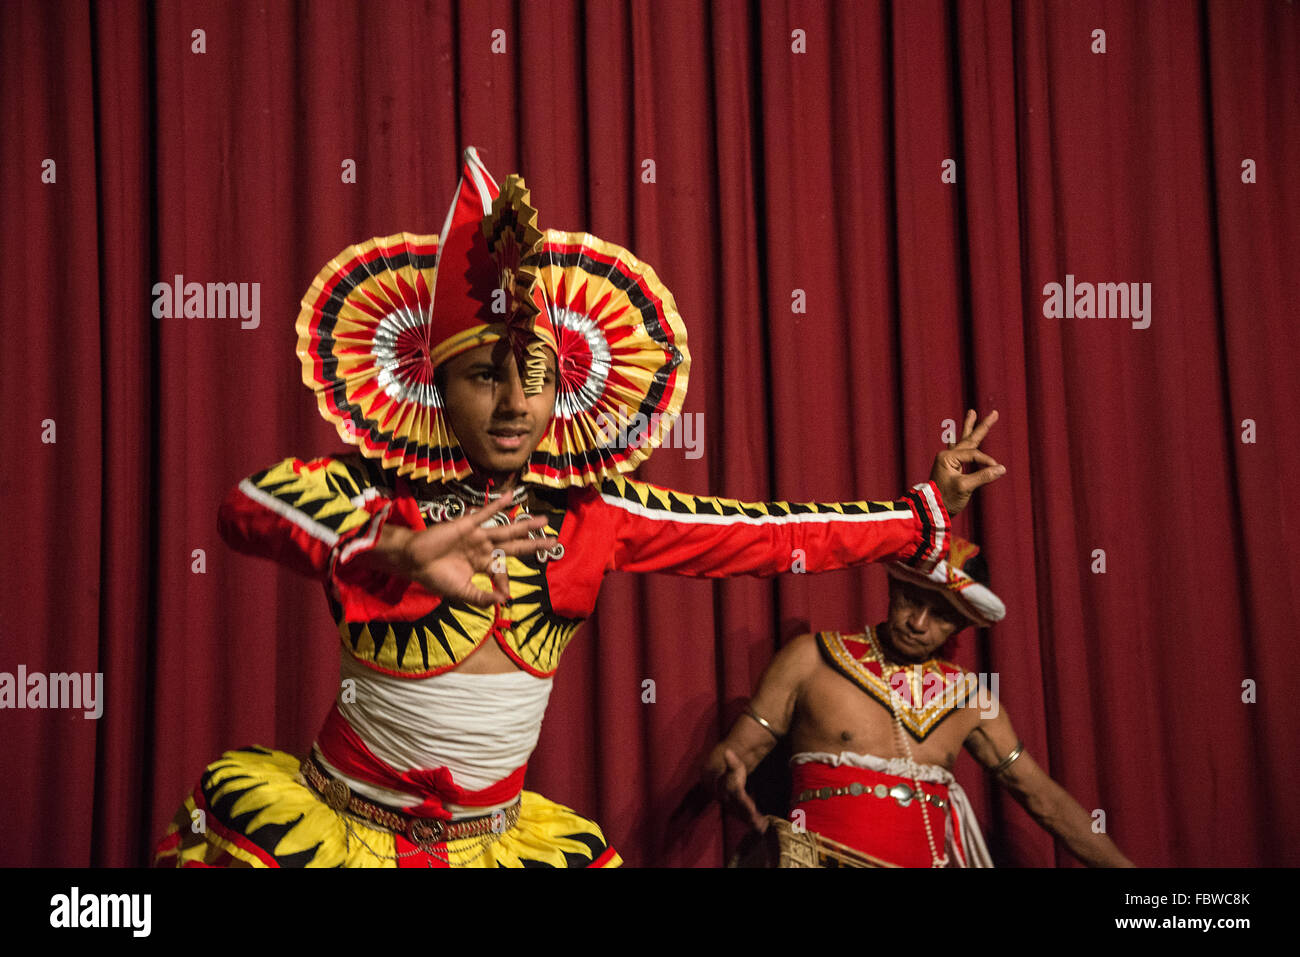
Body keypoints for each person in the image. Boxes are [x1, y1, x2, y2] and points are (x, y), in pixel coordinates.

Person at [153, 147, 1005, 868]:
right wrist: (385, 547)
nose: (518, 405)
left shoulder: (593, 513)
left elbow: (762, 533)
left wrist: (922, 510)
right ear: (431, 381)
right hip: (340, 836)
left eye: (538, 378)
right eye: (487, 375)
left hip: (498, 844)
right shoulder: (372, 493)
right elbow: (248, 505)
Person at [703, 530, 1135, 868]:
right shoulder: (811, 659)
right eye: (911, 600)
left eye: (942, 615)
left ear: (962, 626)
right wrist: (726, 778)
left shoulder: (969, 699)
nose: (918, 623)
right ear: (893, 586)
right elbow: (730, 758)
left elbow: (1044, 800)